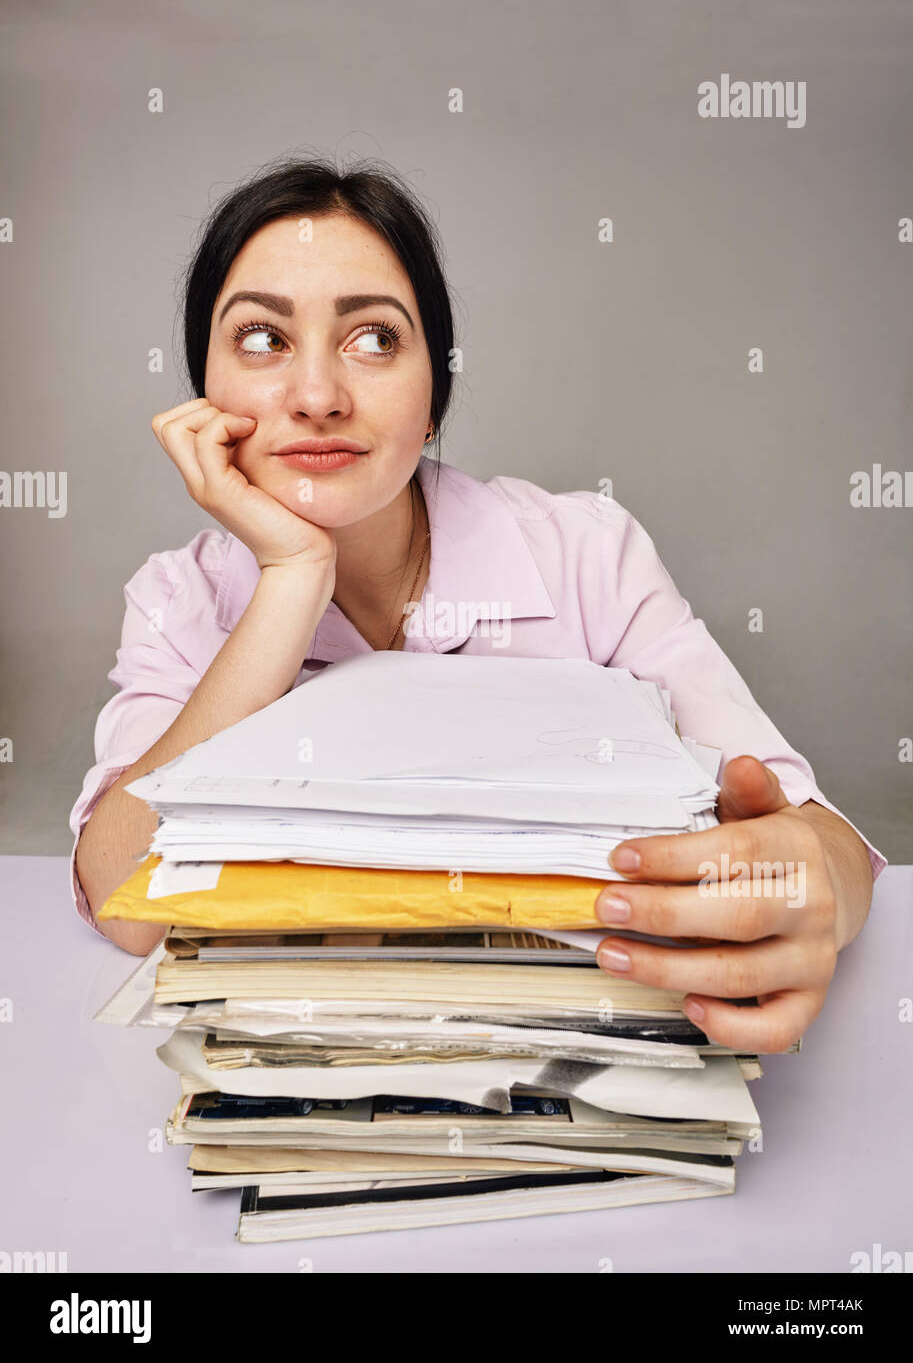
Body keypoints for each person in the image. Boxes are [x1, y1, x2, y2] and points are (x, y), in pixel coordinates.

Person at [70, 156, 886, 1054]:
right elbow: (126, 901)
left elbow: (813, 833)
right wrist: (293, 574)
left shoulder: (585, 554)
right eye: (262, 339)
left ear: (432, 397)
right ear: (205, 395)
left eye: (373, 338)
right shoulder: (178, 596)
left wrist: (819, 883)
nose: (316, 397)